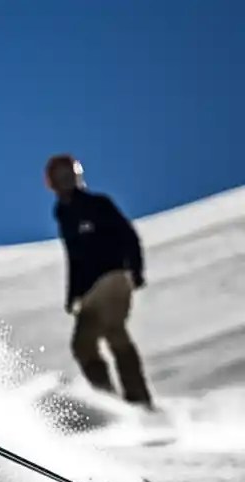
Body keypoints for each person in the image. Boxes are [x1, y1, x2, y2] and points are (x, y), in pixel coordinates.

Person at [45, 154, 154, 410]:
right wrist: (72, 296)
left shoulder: (97, 204)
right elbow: (74, 259)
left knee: (113, 328)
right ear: (52, 183)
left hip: (114, 279)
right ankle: (109, 402)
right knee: (83, 345)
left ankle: (138, 399)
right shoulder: (64, 216)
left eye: (70, 176)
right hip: (91, 292)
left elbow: (128, 235)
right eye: (60, 178)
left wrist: (135, 270)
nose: (66, 182)